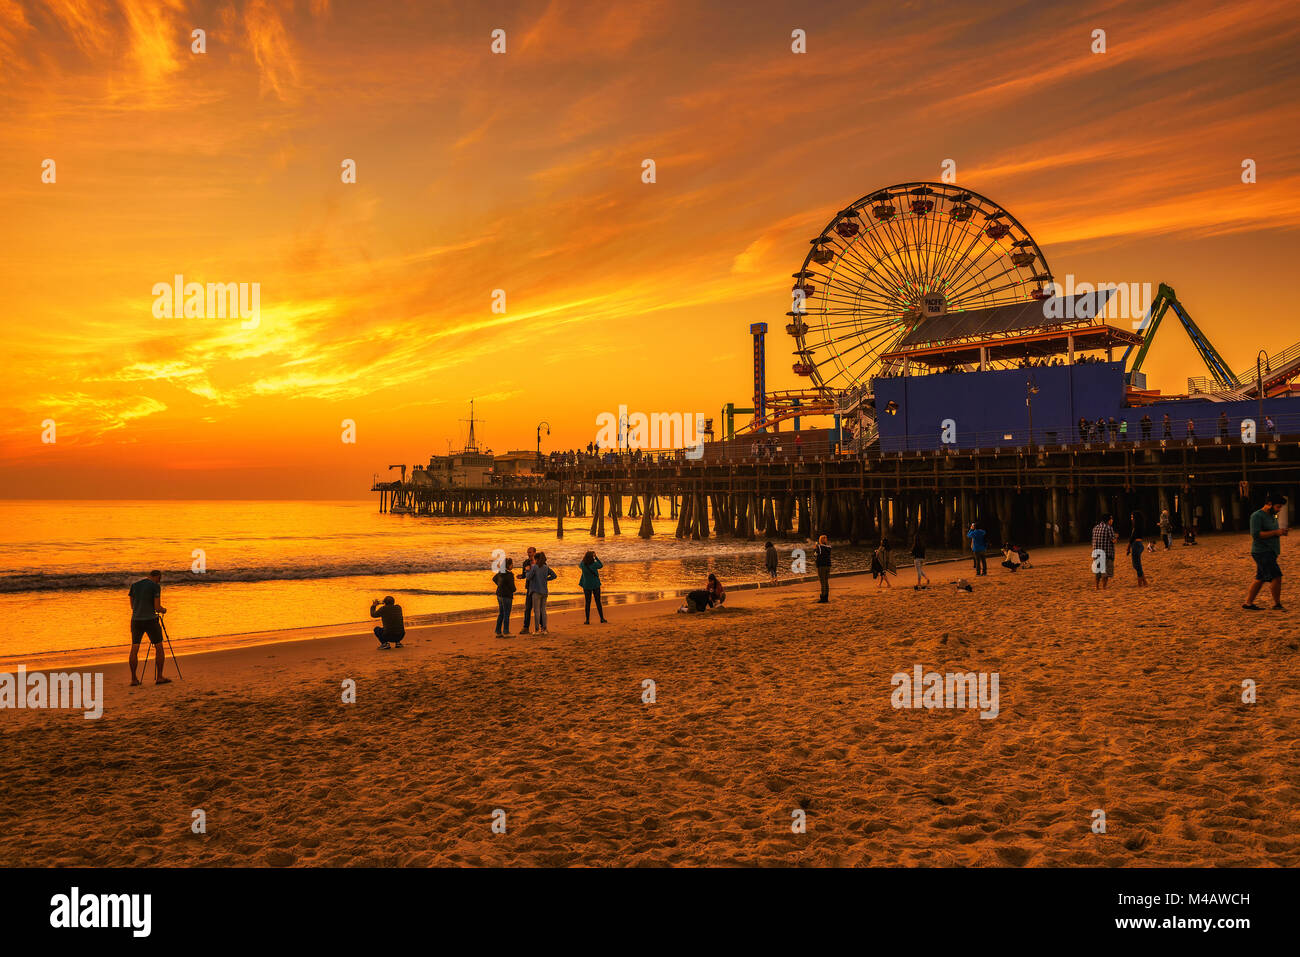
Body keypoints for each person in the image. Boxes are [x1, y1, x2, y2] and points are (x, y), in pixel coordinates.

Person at [1243, 493, 1288, 611]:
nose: (1279, 509)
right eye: (1278, 506)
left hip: (1270, 551)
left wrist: (1281, 532)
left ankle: (1248, 603)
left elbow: (1272, 532)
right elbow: (1256, 535)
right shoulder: (1256, 516)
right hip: (1262, 552)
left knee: (1260, 578)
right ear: (1269, 504)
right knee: (1276, 576)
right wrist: (1276, 533)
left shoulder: (1272, 515)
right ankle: (1277, 604)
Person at [128, 570, 169, 686]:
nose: (159, 581)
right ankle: (159, 677)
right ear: (156, 577)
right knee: (159, 647)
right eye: (159, 579)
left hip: (136, 620)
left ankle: (134, 679)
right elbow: (157, 607)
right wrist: (163, 610)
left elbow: (132, 606)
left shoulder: (134, 586)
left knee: (134, 648)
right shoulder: (155, 586)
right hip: (150, 620)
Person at [526, 551, 557, 634]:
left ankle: (537, 630)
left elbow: (528, 577)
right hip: (544, 591)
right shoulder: (545, 567)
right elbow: (554, 575)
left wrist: (527, 571)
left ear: (536, 559)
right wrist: (546, 579)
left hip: (536, 591)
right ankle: (544, 629)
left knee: (537, 611)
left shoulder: (535, 567)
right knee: (543, 610)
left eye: (534, 559)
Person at [579, 551, 607, 624]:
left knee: (587, 603)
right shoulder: (594, 564)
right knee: (598, 602)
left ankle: (587, 620)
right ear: (592, 557)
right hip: (595, 585)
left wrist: (584, 558)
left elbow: (580, 564)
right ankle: (602, 618)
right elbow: (601, 565)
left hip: (586, 586)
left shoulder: (582, 565)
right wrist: (596, 557)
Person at [1092, 514, 1116, 590]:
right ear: (1108, 520)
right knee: (1105, 572)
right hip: (1106, 553)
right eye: (1111, 519)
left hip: (1096, 552)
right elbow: (1113, 540)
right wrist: (1116, 537)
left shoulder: (1095, 528)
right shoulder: (1109, 528)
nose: (1112, 521)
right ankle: (1104, 587)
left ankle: (1097, 586)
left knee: (1098, 571)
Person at [493, 558, 516, 637]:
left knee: (501, 613)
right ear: (509, 565)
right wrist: (512, 589)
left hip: (499, 594)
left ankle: (498, 631)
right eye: (511, 564)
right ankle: (506, 631)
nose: (512, 565)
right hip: (507, 596)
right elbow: (512, 588)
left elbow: (494, 579)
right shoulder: (509, 575)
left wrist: (500, 585)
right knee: (506, 614)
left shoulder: (500, 572)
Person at [518, 546, 537, 633]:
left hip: (538, 587)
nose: (528, 554)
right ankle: (526, 627)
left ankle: (542, 627)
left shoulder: (540, 562)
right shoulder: (525, 562)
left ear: (534, 553)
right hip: (529, 587)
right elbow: (525, 575)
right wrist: (521, 576)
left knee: (538, 608)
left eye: (530, 552)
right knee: (528, 608)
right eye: (528, 552)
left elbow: (544, 572)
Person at [1129, 512, 1148, 586]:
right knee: (1137, 564)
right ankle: (1143, 581)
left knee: (1137, 565)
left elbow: (1133, 537)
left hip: (1136, 545)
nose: (1131, 519)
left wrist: (1128, 546)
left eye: (1132, 517)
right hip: (1139, 545)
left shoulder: (1137, 527)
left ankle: (1142, 582)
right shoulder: (1139, 526)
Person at [814, 534, 831, 602]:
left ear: (820, 540)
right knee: (826, 581)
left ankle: (823, 597)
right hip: (828, 565)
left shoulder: (819, 547)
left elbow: (815, 554)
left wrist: (815, 548)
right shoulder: (829, 547)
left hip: (821, 566)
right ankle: (826, 596)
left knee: (822, 582)